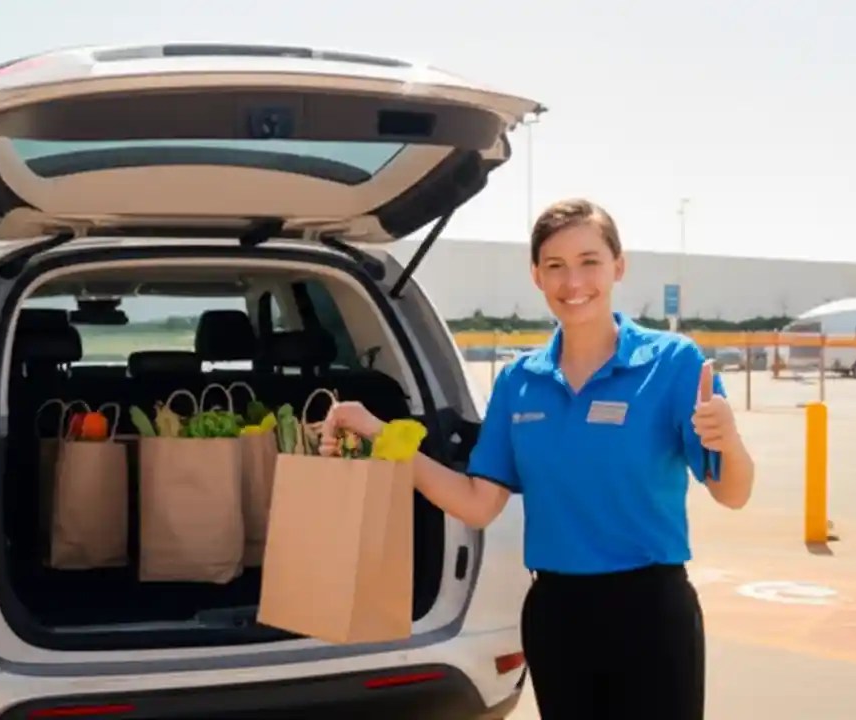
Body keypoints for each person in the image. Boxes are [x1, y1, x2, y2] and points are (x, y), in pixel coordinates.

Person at [319, 198, 756, 719]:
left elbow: (734, 493)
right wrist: (381, 436)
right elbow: (478, 503)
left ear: (618, 266)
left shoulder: (673, 364)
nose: (574, 282)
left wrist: (727, 440)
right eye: (556, 266)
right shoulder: (519, 382)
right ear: (537, 275)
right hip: (557, 613)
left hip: (650, 612)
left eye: (589, 261)